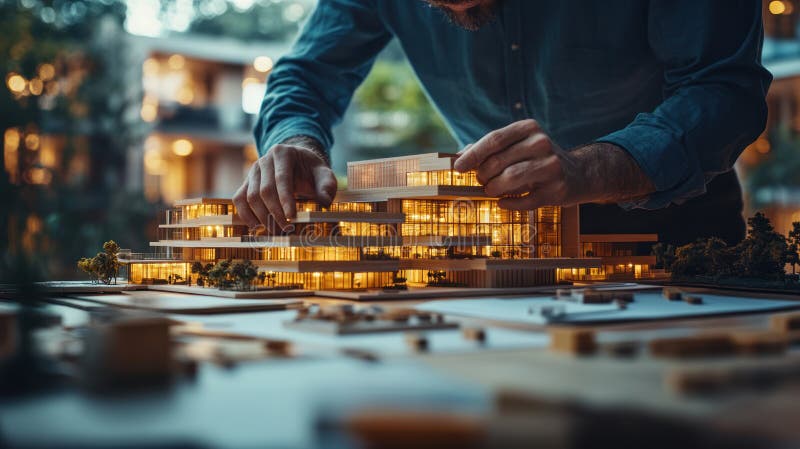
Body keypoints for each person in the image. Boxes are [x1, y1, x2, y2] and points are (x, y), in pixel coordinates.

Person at [233, 0, 772, 247]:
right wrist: (294, 140)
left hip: (675, 227)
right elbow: (304, 75)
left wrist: (590, 171)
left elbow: (723, 88)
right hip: (504, 236)